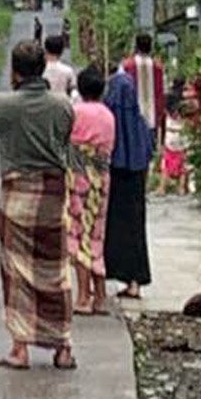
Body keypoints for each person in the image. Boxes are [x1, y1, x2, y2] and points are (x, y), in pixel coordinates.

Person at [0, 39, 75, 371]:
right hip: (52, 194)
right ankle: (63, 346)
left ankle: (20, 348)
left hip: (15, 193)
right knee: (55, 269)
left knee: (16, 271)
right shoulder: (62, 105)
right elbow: (66, 136)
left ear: (15, 71)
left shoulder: (0, 104)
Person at [104, 54, 155, 300]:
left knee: (114, 230)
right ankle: (135, 281)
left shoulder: (110, 119)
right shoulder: (141, 125)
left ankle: (116, 277)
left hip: (115, 179)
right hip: (135, 181)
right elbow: (148, 151)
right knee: (136, 231)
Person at [67, 65, 115, 316]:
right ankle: (101, 295)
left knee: (78, 234)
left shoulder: (75, 113)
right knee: (97, 234)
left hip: (78, 180)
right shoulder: (109, 116)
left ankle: (83, 294)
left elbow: (67, 145)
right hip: (102, 180)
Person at [43, 34, 78, 103]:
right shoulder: (68, 71)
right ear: (61, 51)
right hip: (62, 103)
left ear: (46, 49)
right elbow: (74, 91)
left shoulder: (40, 70)